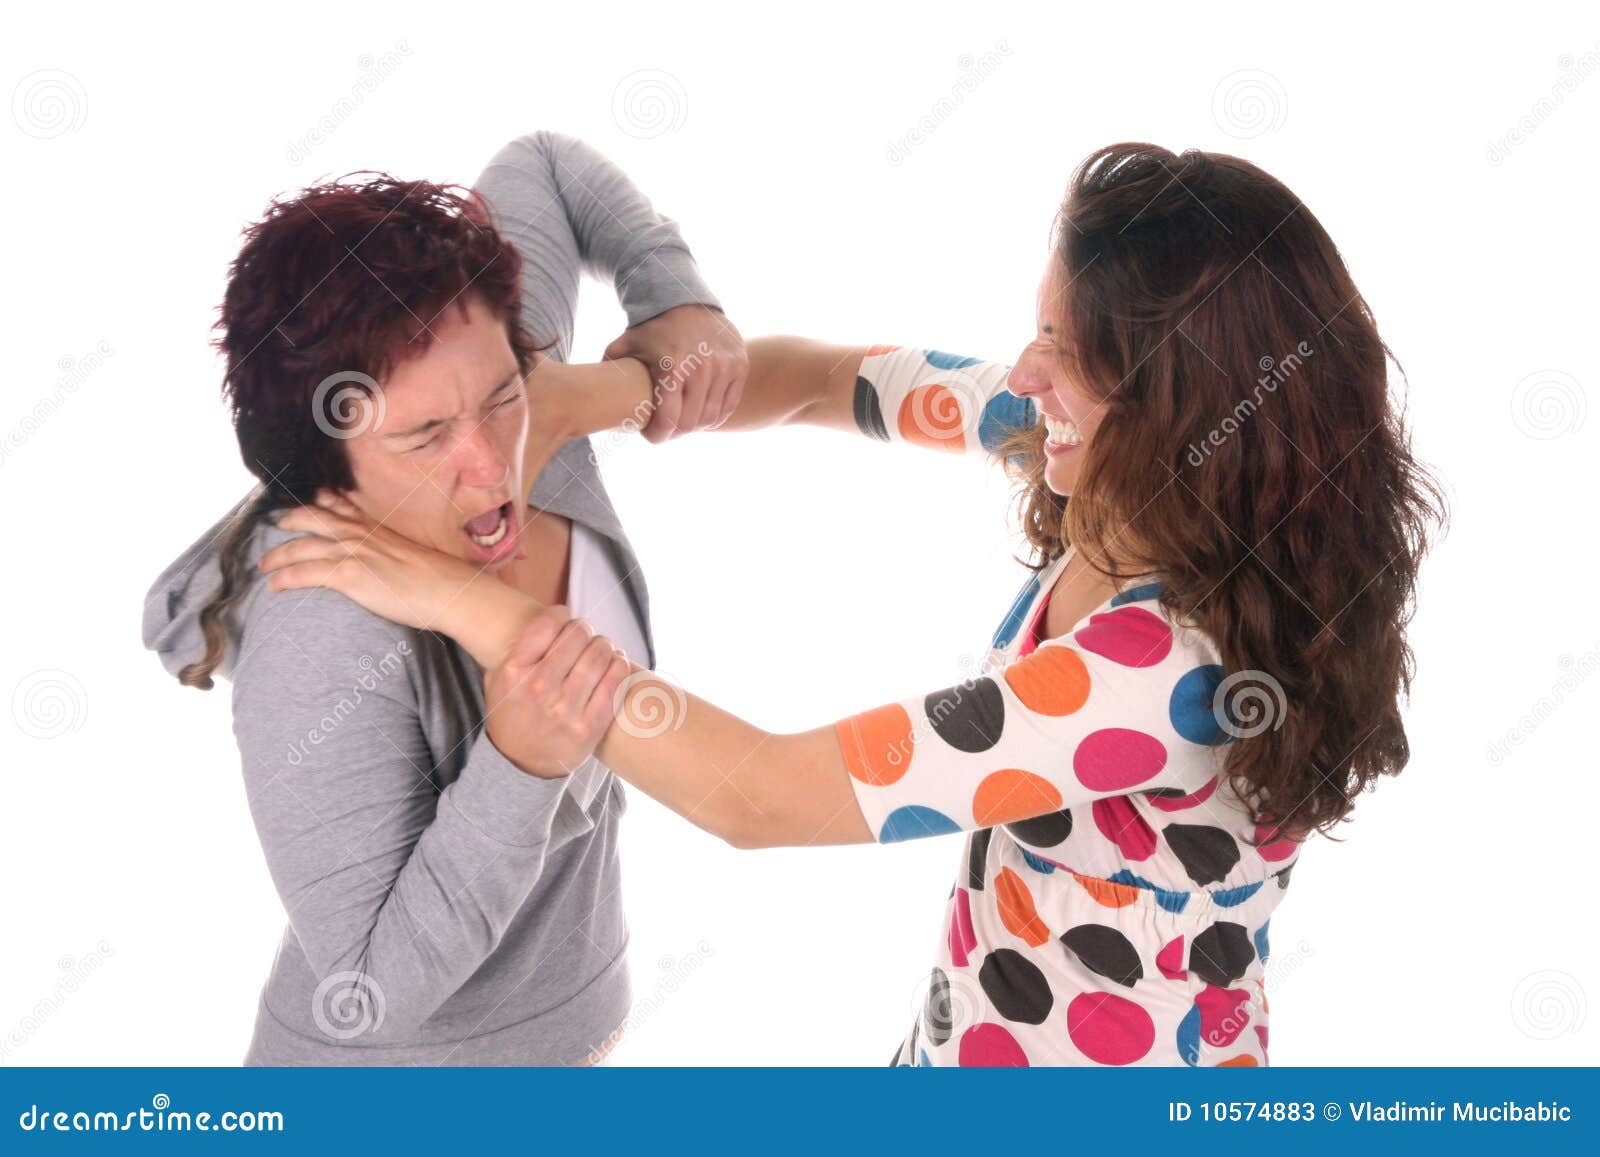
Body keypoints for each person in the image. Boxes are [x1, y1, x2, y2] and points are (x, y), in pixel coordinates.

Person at [263, 142, 1447, 1066]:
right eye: (1037, 329)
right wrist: (583, 398)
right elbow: (826, 380)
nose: (1025, 376)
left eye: (1068, 352)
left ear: (1181, 405)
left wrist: (476, 613)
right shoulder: (1083, 442)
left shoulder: (1155, 674)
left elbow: (762, 795)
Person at [142, 129, 747, 1065]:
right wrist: (520, 761)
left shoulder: (510, 396)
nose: (489, 463)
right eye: (424, 437)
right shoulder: (321, 636)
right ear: (325, 473)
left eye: (504, 395)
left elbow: (543, 162)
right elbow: (364, 995)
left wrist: (674, 295)